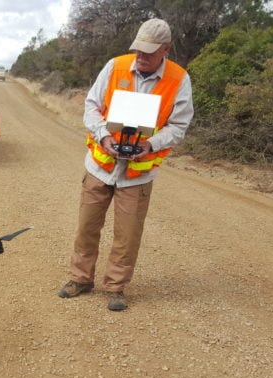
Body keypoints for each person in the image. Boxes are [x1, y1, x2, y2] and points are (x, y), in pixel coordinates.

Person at [57, 18, 194, 311]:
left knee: (127, 234)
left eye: (149, 52)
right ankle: (80, 279)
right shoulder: (115, 66)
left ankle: (116, 288)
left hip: (137, 175)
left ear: (166, 50)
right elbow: (91, 106)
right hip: (99, 166)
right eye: (138, 50)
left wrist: (150, 144)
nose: (141, 57)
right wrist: (104, 135)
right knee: (86, 227)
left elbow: (179, 126)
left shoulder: (179, 79)